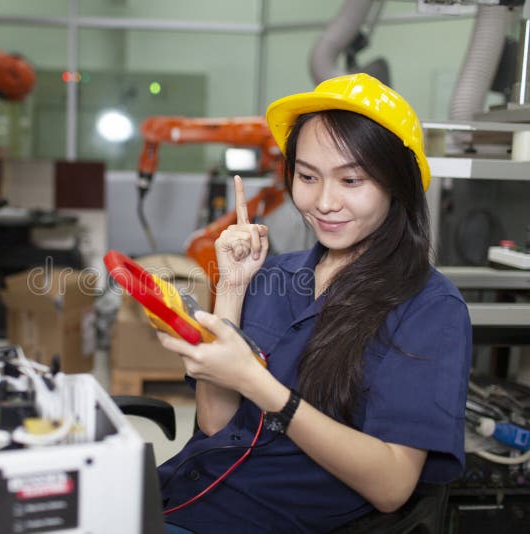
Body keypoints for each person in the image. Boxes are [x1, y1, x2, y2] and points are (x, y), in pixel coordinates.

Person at [156, 73, 472, 533]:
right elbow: (214, 421)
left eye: (352, 179)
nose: (324, 202)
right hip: (182, 498)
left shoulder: (430, 308)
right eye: (307, 176)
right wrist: (231, 287)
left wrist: (262, 387)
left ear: (397, 185)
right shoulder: (273, 275)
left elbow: (391, 486)